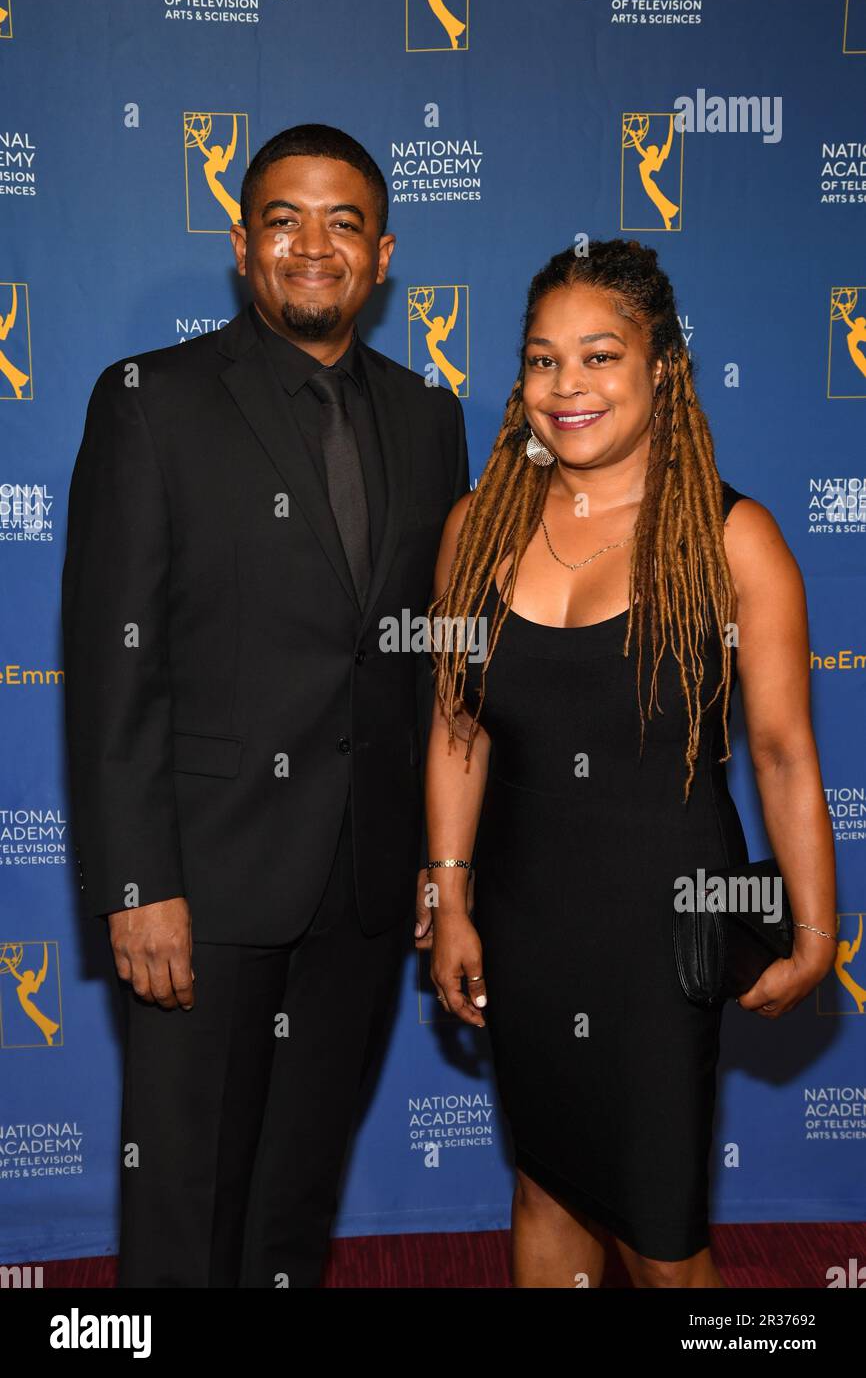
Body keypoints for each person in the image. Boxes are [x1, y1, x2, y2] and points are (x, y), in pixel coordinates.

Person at [61, 123, 469, 1288]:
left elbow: (437, 663)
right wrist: (142, 883)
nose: (313, 244)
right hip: (207, 882)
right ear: (243, 246)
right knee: (186, 1204)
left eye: (343, 222)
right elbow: (111, 664)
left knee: (294, 1201)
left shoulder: (427, 417)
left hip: (360, 885)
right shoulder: (152, 400)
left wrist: (442, 868)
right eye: (284, 218)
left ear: (381, 256)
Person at [417, 239, 837, 1289]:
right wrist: (453, 896)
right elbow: (456, 728)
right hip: (523, 914)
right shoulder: (477, 527)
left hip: (668, 921)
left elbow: (783, 755)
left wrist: (816, 931)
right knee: (545, 1186)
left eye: (599, 356)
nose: (568, 387)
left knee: (659, 1237)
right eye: (543, 360)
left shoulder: (734, 540)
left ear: (661, 370)